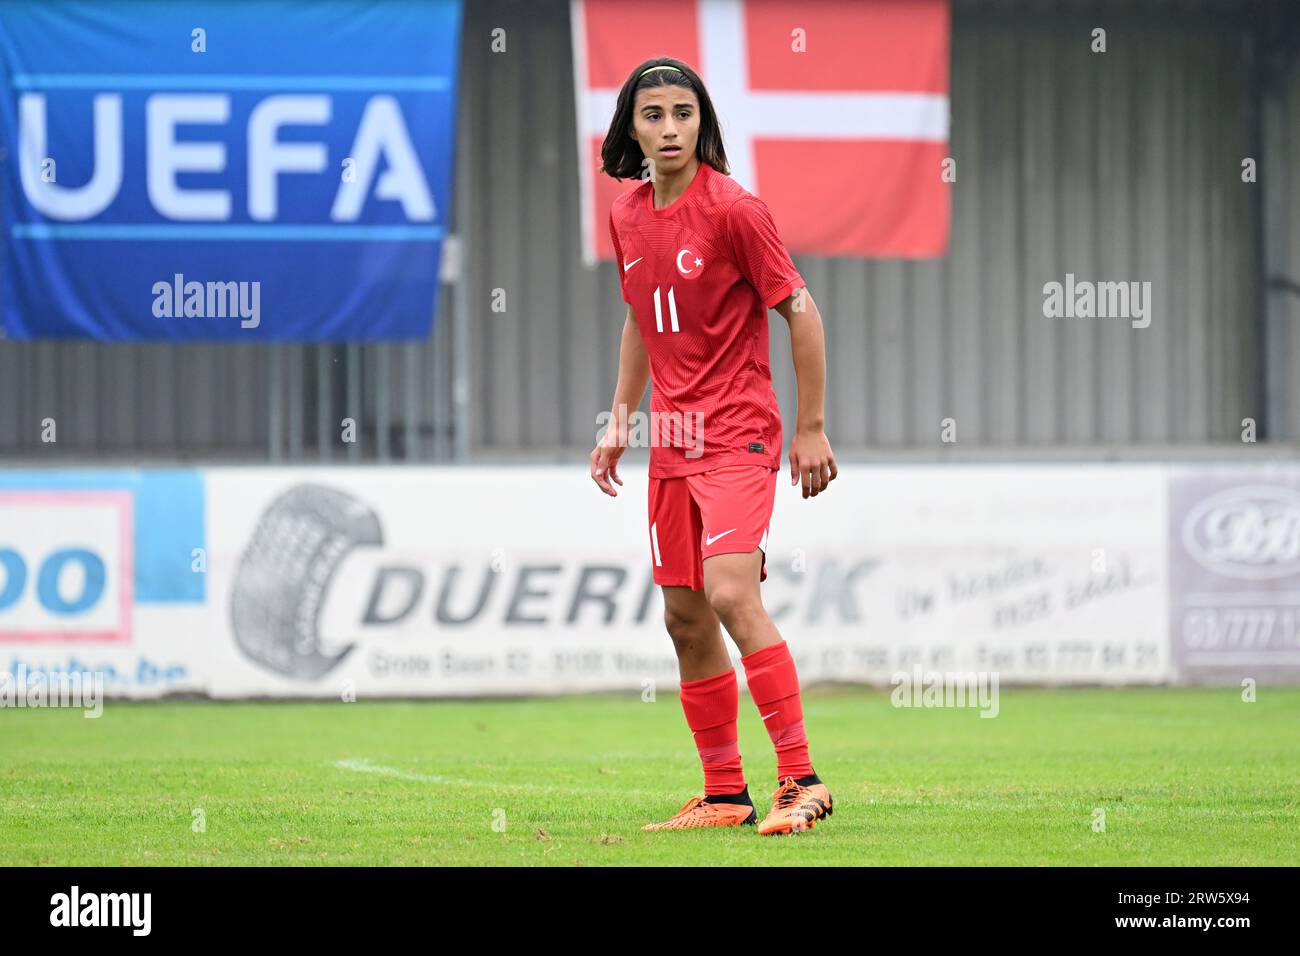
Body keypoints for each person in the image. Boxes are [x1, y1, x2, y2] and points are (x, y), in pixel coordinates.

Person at [589, 57, 839, 835]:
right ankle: (726, 795)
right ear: (631, 125)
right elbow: (640, 315)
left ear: (704, 123)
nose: (670, 128)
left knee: (732, 592)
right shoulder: (628, 215)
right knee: (686, 618)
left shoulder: (735, 210)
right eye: (654, 114)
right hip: (672, 437)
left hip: (738, 430)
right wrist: (620, 416)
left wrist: (810, 427)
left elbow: (800, 310)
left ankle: (802, 780)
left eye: (684, 114)